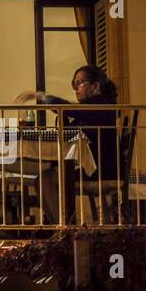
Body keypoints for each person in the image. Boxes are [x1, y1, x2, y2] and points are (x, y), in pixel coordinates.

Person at [41, 66, 120, 224]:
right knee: (45, 178)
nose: (76, 89)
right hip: (90, 165)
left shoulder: (101, 105)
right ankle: (62, 226)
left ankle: (66, 228)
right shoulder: (89, 109)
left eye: (80, 83)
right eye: (74, 84)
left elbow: (72, 110)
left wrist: (44, 98)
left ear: (95, 86)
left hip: (101, 168)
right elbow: (69, 130)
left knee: (48, 179)